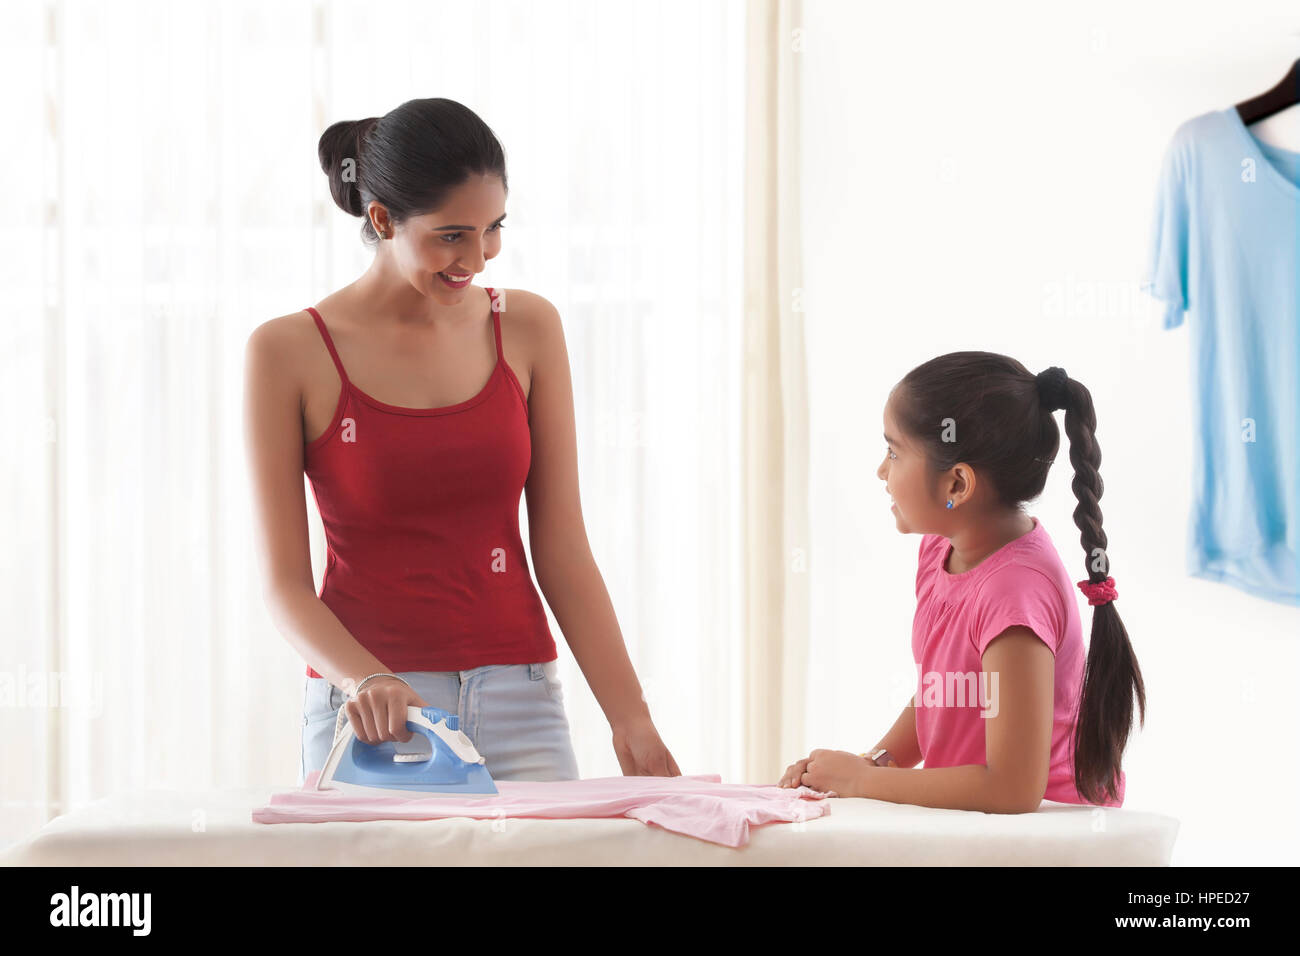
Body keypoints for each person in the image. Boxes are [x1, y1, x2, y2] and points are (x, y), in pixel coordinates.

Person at [243, 97, 679, 785]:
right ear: (382, 220)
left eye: (493, 229)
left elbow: (563, 550)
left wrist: (631, 718)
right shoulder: (288, 351)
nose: (477, 258)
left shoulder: (528, 327)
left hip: (522, 701)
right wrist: (364, 680)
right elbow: (283, 586)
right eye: (451, 236)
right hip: (377, 715)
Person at [779, 353, 1145, 811]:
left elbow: (1012, 791)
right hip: (974, 828)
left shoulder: (1015, 595)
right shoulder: (942, 549)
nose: (881, 471)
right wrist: (871, 764)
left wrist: (860, 783)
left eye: (894, 452)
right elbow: (944, 689)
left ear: (956, 486)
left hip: (1044, 842)